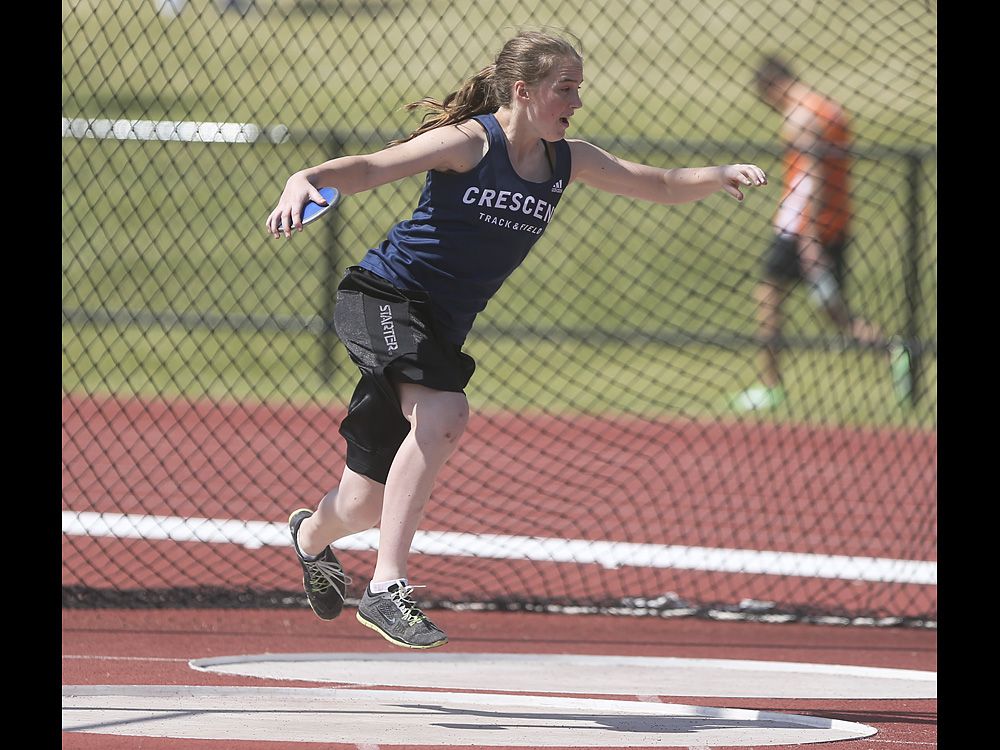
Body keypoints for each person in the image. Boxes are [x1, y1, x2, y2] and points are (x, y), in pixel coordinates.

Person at [265, 30, 767, 649]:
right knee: (445, 412)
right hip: (383, 297)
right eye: (566, 88)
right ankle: (386, 587)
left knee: (364, 502)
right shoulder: (472, 142)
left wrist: (716, 175)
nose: (576, 101)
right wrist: (305, 177)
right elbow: (373, 167)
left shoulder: (567, 160)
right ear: (524, 91)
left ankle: (310, 537)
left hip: (437, 330)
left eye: (579, 88)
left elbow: (659, 183)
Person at [729, 55, 911, 412]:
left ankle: (771, 387)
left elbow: (813, 179)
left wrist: (808, 237)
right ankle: (892, 348)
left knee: (769, 296)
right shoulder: (828, 109)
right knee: (833, 312)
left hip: (802, 227)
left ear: (773, 86)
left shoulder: (801, 116)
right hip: (834, 222)